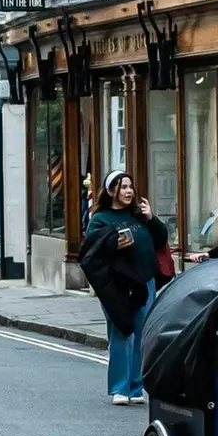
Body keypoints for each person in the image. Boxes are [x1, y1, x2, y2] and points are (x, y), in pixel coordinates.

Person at [84, 171, 170, 406]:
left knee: (142, 334)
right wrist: (114, 243)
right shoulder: (100, 219)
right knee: (122, 331)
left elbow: (161, 239)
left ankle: (136, 386)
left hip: (144, 282)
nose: (129, 191)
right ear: (111, 191)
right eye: (123, 187)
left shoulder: (139, 216)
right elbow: (92, 251)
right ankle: (120, 388)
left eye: (130, 187)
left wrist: (151, 218)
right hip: (117, 285)